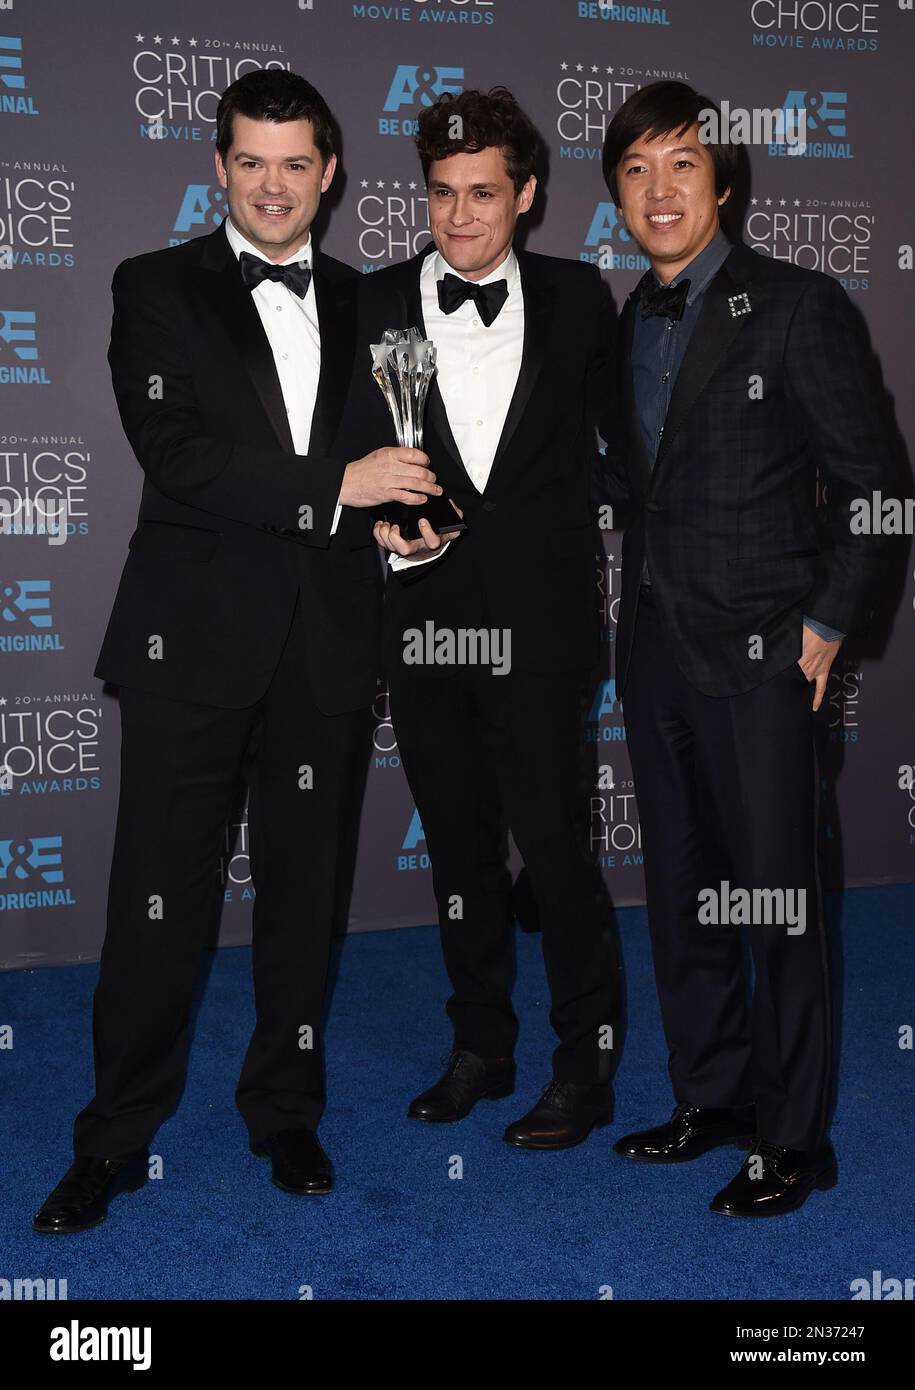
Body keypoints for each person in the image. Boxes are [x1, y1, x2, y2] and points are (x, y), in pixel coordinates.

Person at [33, 69, 436, 1232]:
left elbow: (406, 458)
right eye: (250, 162)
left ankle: (285, 1108)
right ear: (218, 168)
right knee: (156, 903)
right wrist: (339, 487)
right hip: (189, 649)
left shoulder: (377, 306)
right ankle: (113, 1136)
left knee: (304, 900)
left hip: (324, 650)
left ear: (330, 175)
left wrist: (413, 517)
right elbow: (176, 451)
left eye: (295, 163)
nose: (273, 184)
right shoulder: (155, 287)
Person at [599, 81, 894, 1215]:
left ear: (724, 183)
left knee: (779, 904)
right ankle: (711, 1096)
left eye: (682, 166)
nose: (659, 190)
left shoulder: (797, 306)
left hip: (770, 659)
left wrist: (827, 625)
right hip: (658, 654)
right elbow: (627, 485)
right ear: (617, 196)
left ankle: (795, 1135)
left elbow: (877, 487)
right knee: (685, 895)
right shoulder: (626, 324)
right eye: (636, 171)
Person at [361, 87, 622, 1149]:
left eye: (482, 193)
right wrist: (377, 532)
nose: (460, 215)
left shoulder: (580, 298)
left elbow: (619, 453)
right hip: (425, 625)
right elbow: (346, 464)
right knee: (461, 854)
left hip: (545, 632)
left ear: (525, 195)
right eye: (441, 193)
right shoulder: (370, 302)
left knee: (558, 852)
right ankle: (481, 1044)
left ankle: (586, 1058)